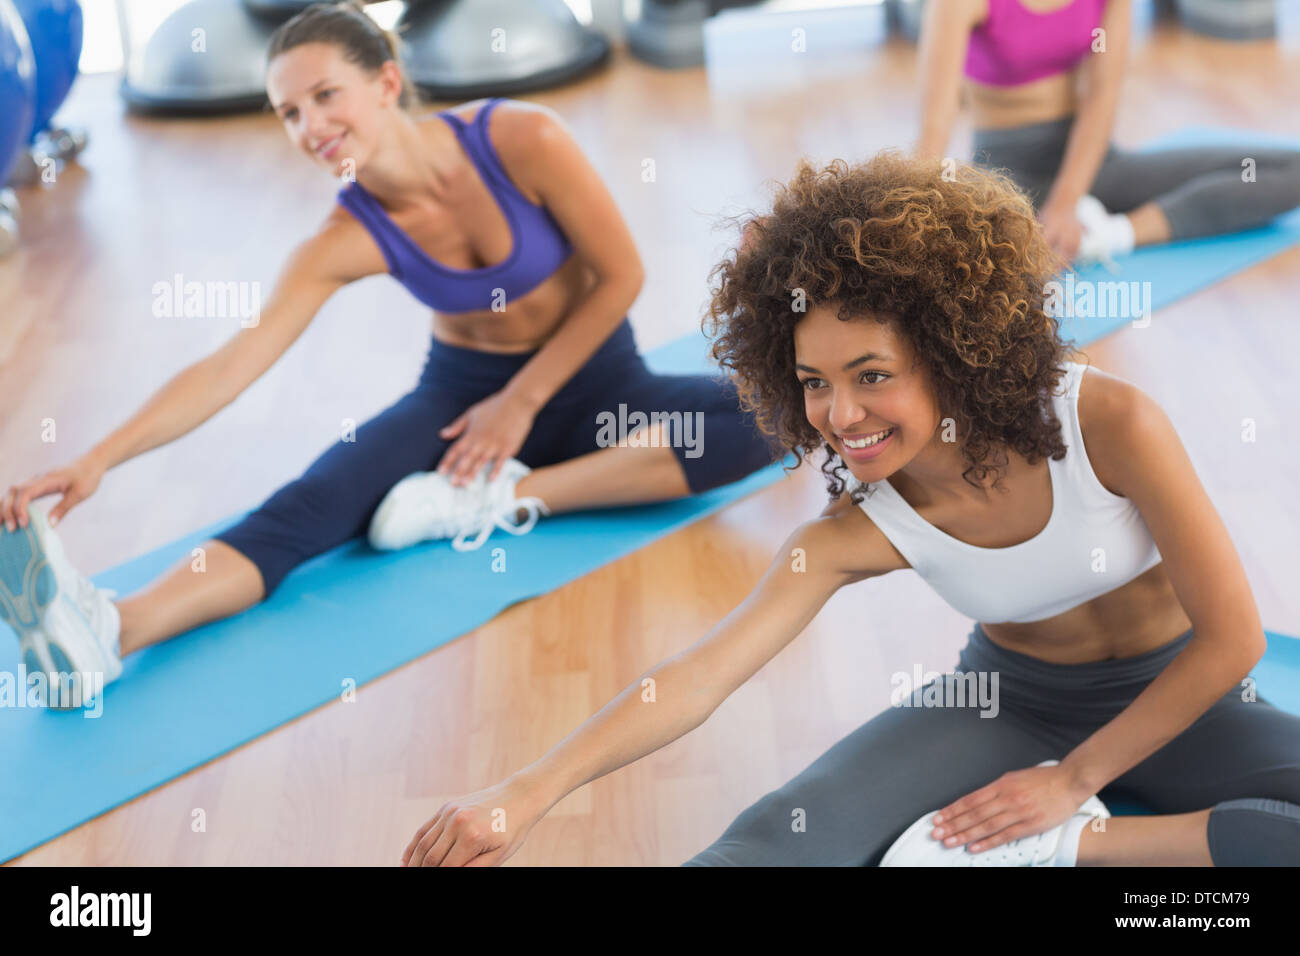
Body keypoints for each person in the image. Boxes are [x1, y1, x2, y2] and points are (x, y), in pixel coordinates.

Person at [401, 152, 1300, 867]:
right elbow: (699, 675)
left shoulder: (1108, 420)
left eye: (872, 376)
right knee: (766, 845)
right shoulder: (852, 532)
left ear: (955, 348)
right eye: (813, 384)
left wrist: (1070, 787)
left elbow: (1234, 641)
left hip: (1191, 691)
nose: (840, 416)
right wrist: (524, 792)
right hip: (1007, 700)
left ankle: (1075, 851)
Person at [0, 0, 780, 708]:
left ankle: (503, 497)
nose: (309, 128)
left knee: (764, 420)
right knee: (309, 508)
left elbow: (622, 275)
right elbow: (233, 363)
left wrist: (523, 403)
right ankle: (109, 631)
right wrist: (97, 459)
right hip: (457, 405)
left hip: (598, 380)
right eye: (289, 113)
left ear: (385, 81)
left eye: (324, 96)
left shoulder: (520, 139)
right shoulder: (344, 237)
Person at [914, 0, 1300, 265]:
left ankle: (1111, 235)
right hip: (1007, 177)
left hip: (1090, 162)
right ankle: (1085, 225)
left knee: (1292, 169)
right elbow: (935, 125)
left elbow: (1102, 96)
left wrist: (1065, 205)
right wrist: (912, 218)